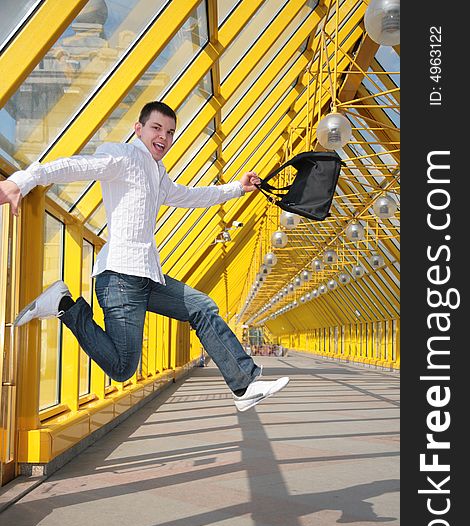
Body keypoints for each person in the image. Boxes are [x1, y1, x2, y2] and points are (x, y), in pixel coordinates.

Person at [0, 101, 289, 411]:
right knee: (123, 368)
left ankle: (244, 385)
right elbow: (76, 165)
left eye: (170, 132)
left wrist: (236, 189)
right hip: (120, 278)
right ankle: (63, 305)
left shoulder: (157, 171)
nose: (163, 137)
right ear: (138, 129)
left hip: (148, 278)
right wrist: (23, 180)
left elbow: (192, 195)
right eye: (156, 128)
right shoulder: (123, 156)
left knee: (203, 307)